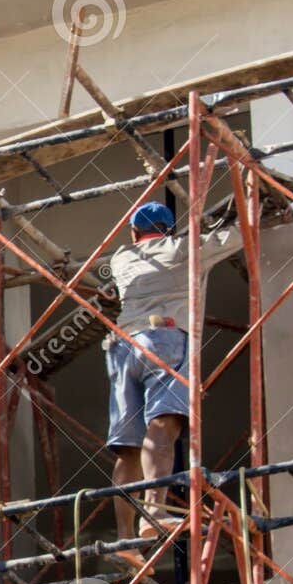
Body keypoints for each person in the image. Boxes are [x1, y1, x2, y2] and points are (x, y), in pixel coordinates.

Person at [105, 200, 243, 542]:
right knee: (162, 425)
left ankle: (125, 538)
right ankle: (153, 513)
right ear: (168, 229)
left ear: (134, 232)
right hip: (163, 340)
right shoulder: (184, 249)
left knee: (127, 448)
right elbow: (238, 237)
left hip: (122, 347)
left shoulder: (120, 259)